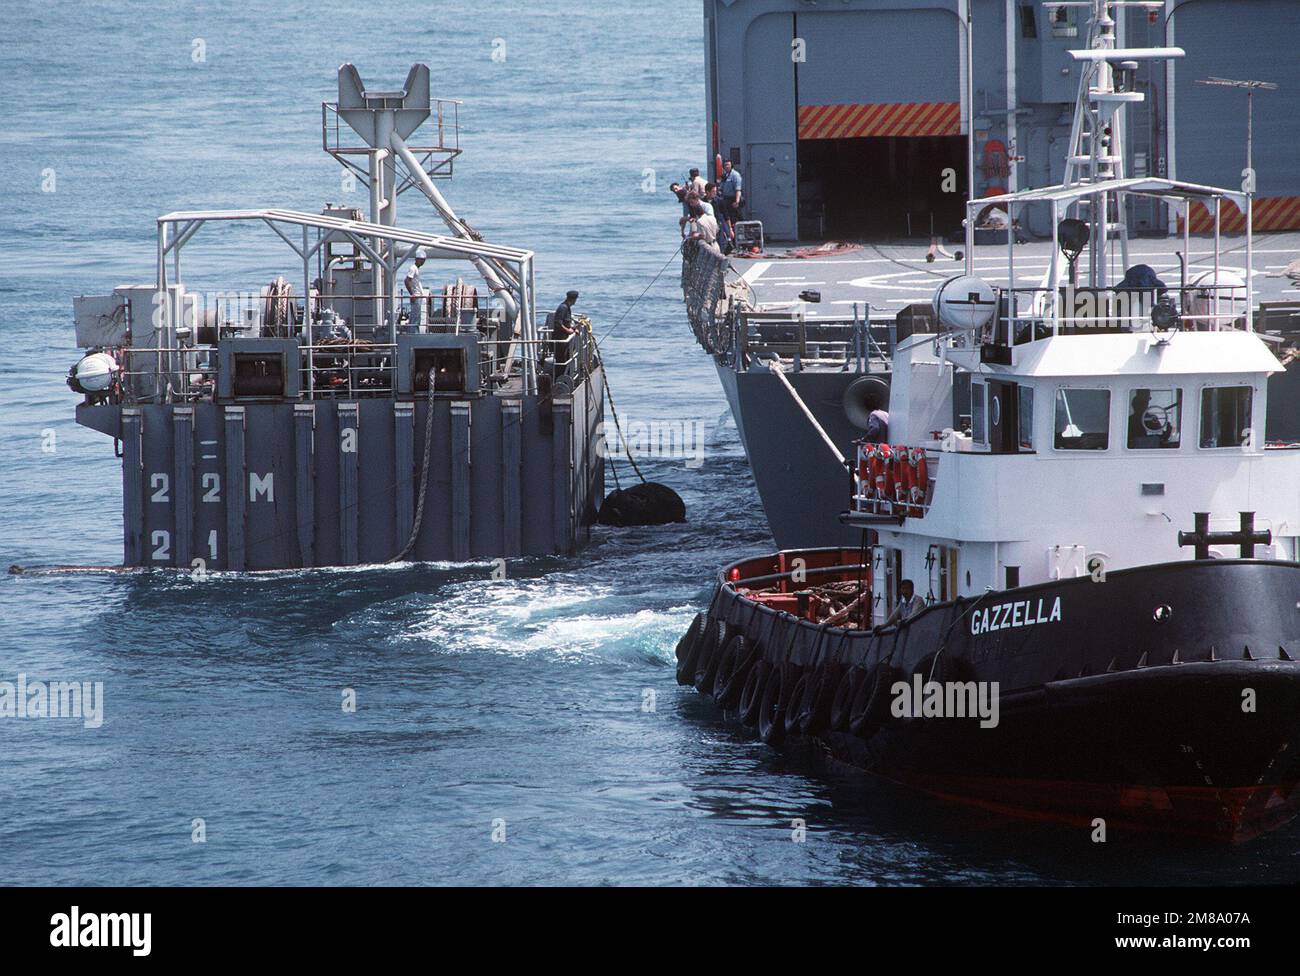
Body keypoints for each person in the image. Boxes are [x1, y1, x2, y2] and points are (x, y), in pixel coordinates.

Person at [552, 290, 579, 372]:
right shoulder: (563, 308)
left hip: (564, 339)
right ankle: (559, 378)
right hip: (560, 340)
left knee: (566, 358)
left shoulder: (567, 307)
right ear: (573, 299)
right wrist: (568, 331)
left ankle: (565, 375)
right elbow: (558, 323)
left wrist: (573, 329)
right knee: (561, 360)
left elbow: (566, 322)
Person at [719, 159, 743, 249]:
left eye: (728, 165)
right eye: (725, 165)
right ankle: (730, 240)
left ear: (731, 166)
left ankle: (737, 240)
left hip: (733, 200)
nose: (726, 166)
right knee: (727, 219)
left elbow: (738, 190)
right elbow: (721, 187)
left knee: (735, 220)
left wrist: (737, 201)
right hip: (726, 200)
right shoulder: (725, 176)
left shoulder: (735, 175)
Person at [404, 246, 429, 327]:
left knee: (416, 317)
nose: (422, 262)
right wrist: (412, 294)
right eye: (421, 260)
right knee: (415, 318)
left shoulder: (417, 269)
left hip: (418, 296)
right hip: (416, 296)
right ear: (416, 259)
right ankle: (413, 333)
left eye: (423, 260)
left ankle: (413, 332)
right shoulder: (413, 268)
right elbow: (407, 280)